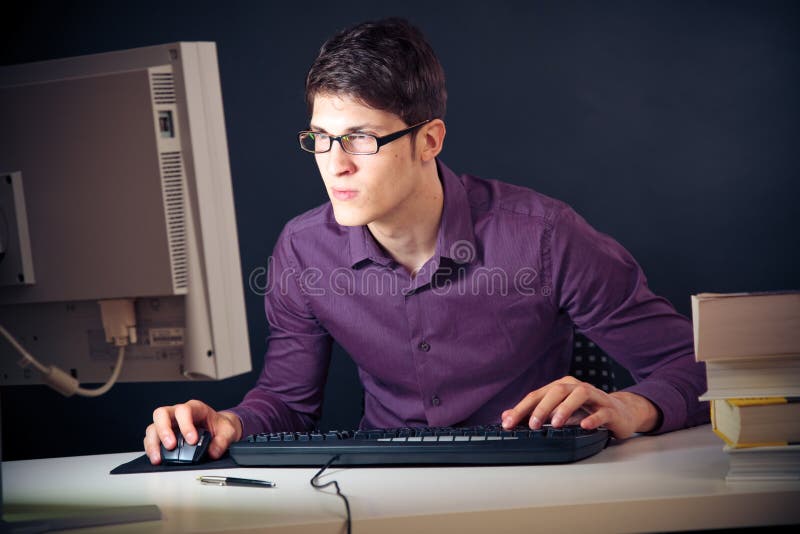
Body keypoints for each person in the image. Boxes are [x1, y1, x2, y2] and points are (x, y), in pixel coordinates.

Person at [144, 17, 709, 464]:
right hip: (381, 493)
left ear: (429, 140)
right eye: (319, 139)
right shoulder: (301, 249)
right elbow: (288, 401)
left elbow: (701, 366)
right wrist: (230, 423)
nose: (333, 165)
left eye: (360, 138)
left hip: (530, 482)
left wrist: (630, 408)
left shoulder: (543, 235)